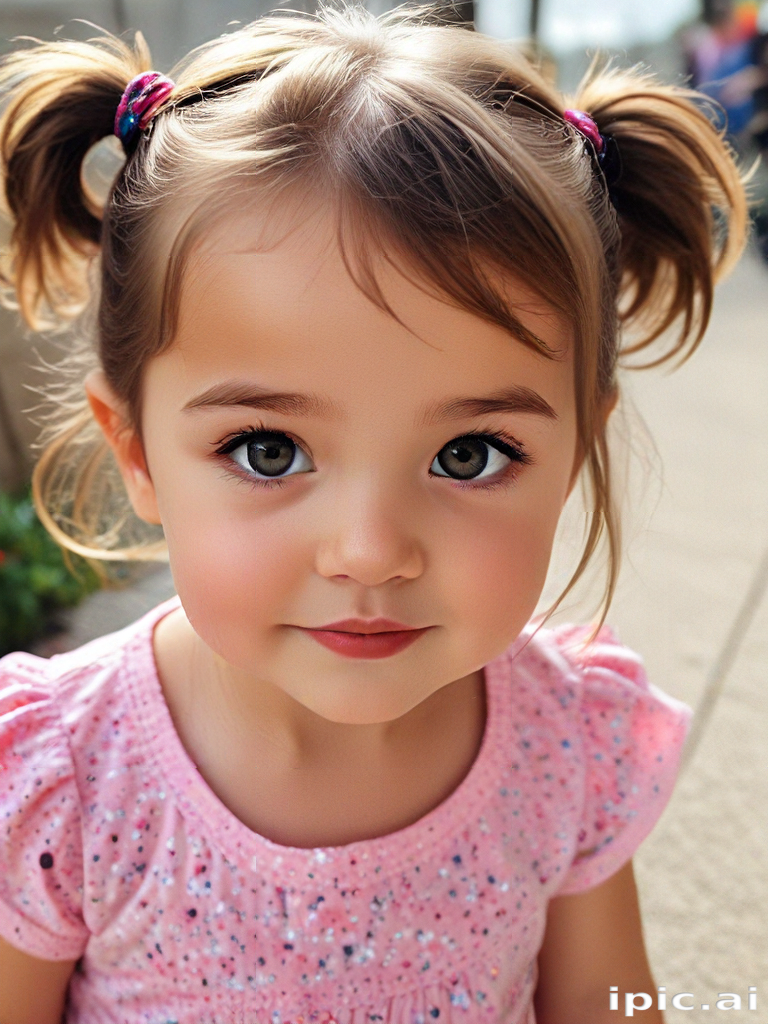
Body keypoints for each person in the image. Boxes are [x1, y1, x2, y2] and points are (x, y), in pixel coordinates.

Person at [0, 6, 747, 1023]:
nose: (370, 551)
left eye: (469, 454)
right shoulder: (64, 784)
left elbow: (606, 1002)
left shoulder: (567, 744)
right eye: (268, 451)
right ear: (136, 451)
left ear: (574, 450)